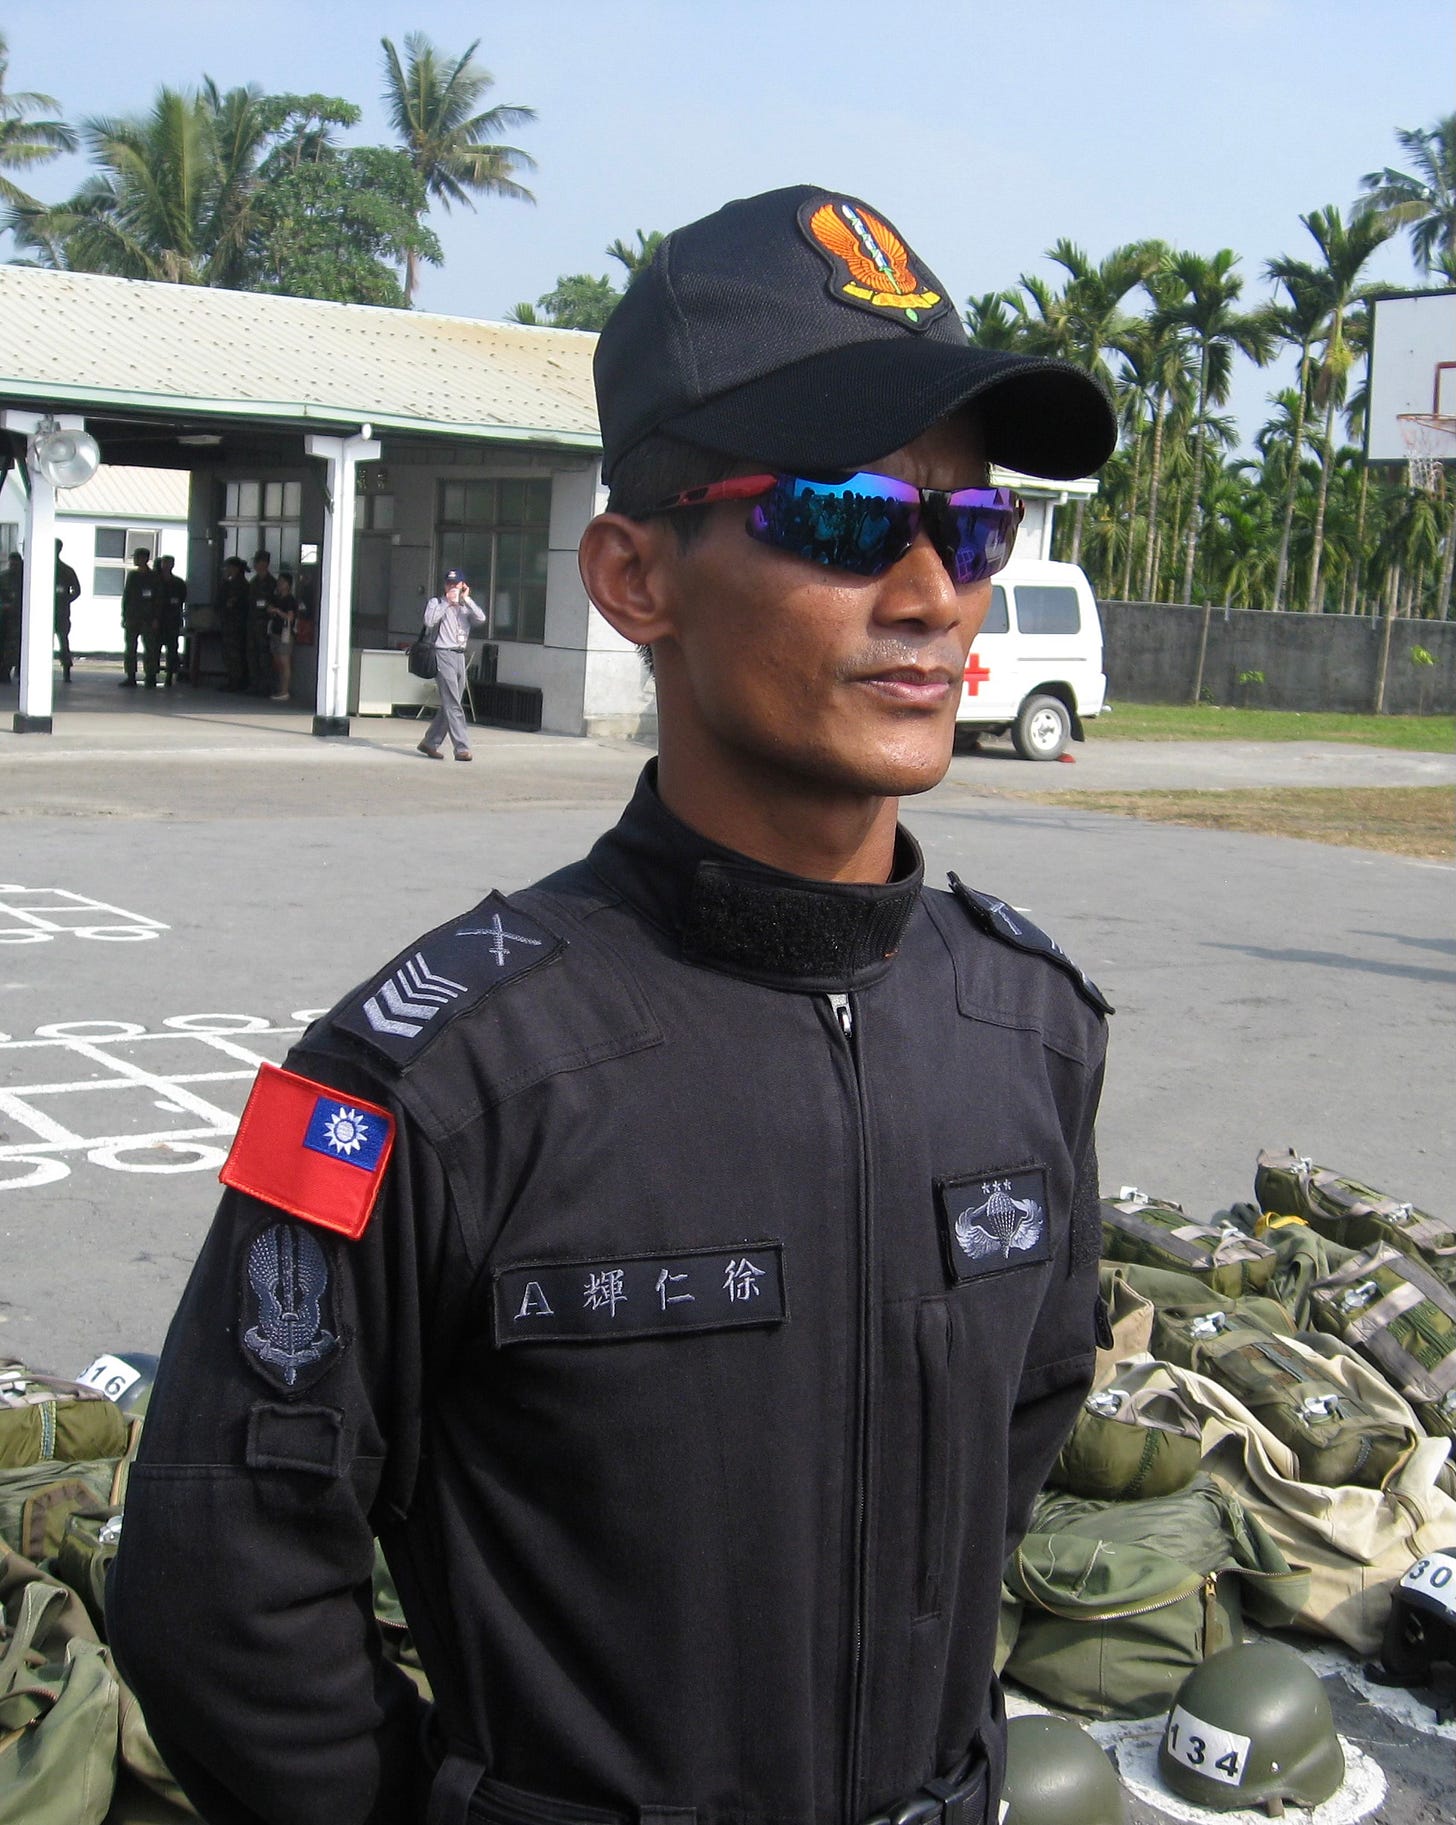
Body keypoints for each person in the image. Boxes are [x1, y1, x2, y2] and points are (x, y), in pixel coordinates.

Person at [107, 185, 1117, 1825]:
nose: (934, 592)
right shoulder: (432, 1081)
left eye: (973, 526)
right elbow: (219, 1588)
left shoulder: (1029, 1033)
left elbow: (1008, 1451)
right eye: (852, 517)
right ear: (635, 576)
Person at [416, 567, 485, 760]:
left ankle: (430, 742)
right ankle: (461, 747)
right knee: (453, 703)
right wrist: (447, 602)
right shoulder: (437, 603)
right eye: (449, 584)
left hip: (459, 656)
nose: (452, 587)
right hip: (442, 654)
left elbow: (481, 618)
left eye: (456, 584)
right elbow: (429, 621)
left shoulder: (465, 607)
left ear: (463, 585)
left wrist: (466, 599)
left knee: (451, 702)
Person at [119, 548, 161, 687]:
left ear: (144, 559)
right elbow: (127, 597)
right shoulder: (133, 576)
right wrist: (124, 615)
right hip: (133, 617)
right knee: (130, 648)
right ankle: (131, 676)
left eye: (137, 557)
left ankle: (150, 676)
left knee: (150, 648)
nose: (135, 560)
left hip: (148, 618)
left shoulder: (154, 577)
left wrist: (156, 618)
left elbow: (158, 600)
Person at [246, 550, 278, 696]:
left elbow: (274, 603)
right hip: (252, 623)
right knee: (252, 654)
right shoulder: (253, 582)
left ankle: (266, 686)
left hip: (264, 624)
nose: (257, 565)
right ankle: (254, 684)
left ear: (265, 563)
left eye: (259, 562)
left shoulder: (272, 583)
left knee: (264, 656)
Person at [218, 556, 251, 692]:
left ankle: (237, 682)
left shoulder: (241, 585)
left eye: (229, 568)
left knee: (235, 654)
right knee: (228, 654)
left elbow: (237, 604)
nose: (227, 570)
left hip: (237, 625)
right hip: (228, 623)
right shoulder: (229, 584)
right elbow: (220, 601)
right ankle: (232, 680)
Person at [267, 568, 299, 701]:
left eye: (281, 582)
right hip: (275, 631)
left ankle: (285, 691)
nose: (279, 585)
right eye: (278, 582)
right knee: (278, 661)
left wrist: (278, 611)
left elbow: (290, 618)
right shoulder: (276, 598)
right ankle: (280, 689)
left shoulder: (290, 600)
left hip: (285, 633)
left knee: (284, 661)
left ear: (288, 584)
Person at [156, 553, 187, 687]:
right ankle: (152, 674)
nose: (166, 566)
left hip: (172, 620)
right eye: (164, 563)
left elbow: (182, 599)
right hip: (157, 619)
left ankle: (170, 675)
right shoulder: (155, 581)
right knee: (154, 649)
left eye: (169, 563)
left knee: (172, 650)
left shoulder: (178, 583)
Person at [54, 539, 81, 682]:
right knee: (63, 641)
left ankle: (66, 670)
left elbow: (77, 591)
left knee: (63, 642)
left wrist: (65, 600)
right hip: (57, 611)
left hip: (60, 612)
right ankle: (66, 671)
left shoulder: (66, 570)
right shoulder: (65, 569)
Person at [0, 551, 21, 683]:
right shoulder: (3, 577)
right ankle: (5, 672)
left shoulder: (27, 577)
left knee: (15, 646)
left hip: (21, 617)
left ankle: (16, 669)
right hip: (5, 617)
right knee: (5, 646)